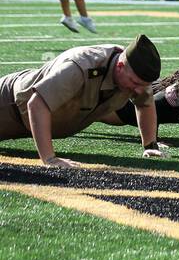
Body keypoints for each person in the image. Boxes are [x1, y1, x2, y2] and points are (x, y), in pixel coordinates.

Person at [0, 35, 163, 167]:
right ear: (119, 66)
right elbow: (36, 104)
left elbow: (145, 104)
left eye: (144, 85)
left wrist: (150, 146)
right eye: (135, 83)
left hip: (27, 120)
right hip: (8, 105)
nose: (139, 90)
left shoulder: (135, 76)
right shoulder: (80, 66)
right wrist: (50, 159)